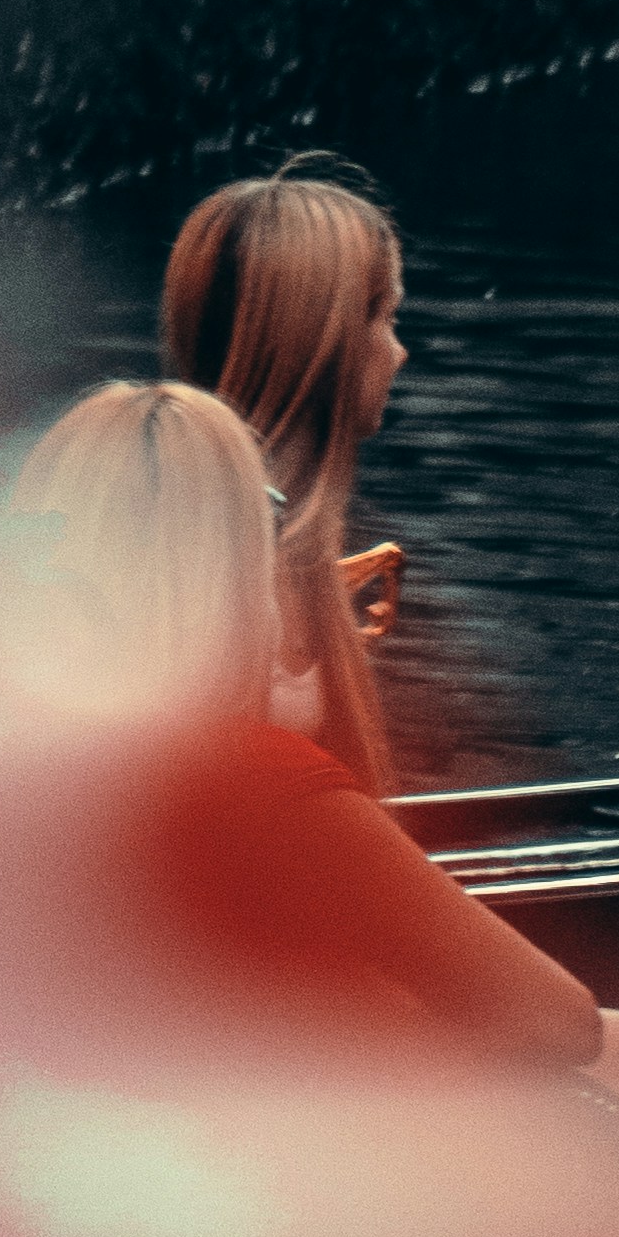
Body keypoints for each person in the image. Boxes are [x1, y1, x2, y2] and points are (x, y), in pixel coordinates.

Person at [0, 378, 619, 1134]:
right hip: (291, 1180)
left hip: (100, 1144)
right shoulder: (261, 781)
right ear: (229, 574)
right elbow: (556, 1022)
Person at [158, 165, 407, 782]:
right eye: (389, 320)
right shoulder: (223, 571)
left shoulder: (272, 538)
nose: (400, 352)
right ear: (332, 342)